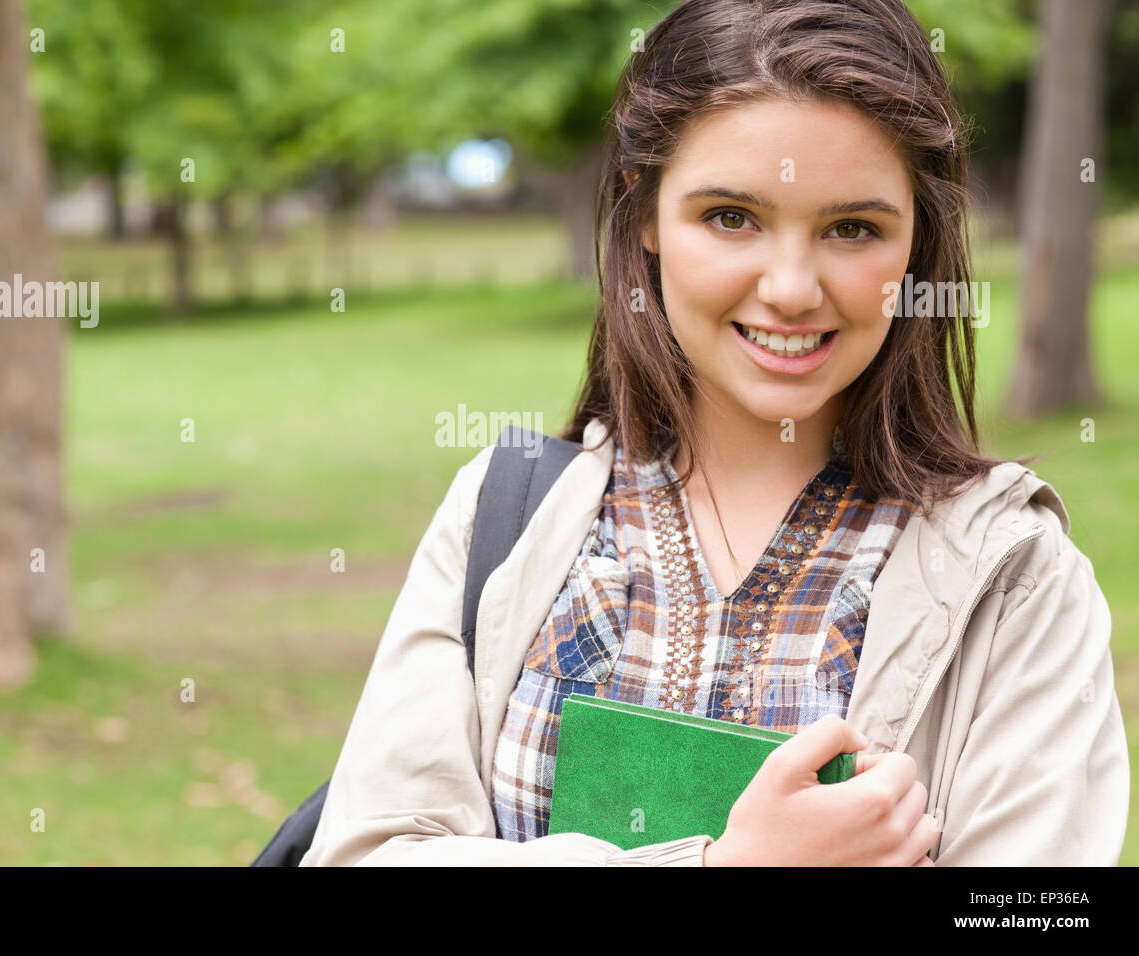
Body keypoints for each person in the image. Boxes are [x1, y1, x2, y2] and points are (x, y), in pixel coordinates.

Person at [300, 0, 1129, 866]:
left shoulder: (1015, 579)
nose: (791, 288)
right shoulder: (503, 513)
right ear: (647, 213)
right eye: (732, 216)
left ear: (917, 246)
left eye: (853, 229)